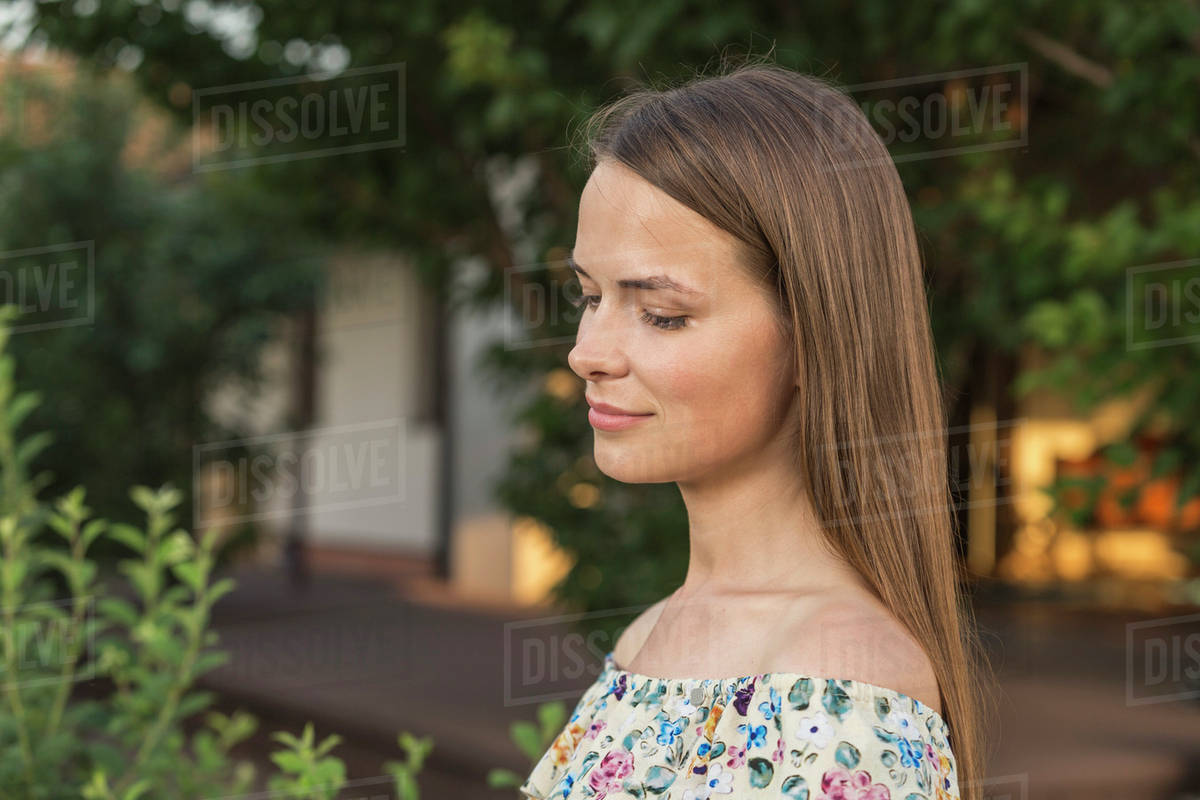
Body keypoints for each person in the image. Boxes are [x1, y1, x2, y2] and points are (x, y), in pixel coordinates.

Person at [520, 59, 993, 800]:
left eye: (661, 314)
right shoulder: (649, 636)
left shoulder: (843, 697)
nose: (587, 353)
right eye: (589, 296)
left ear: (811, 334)